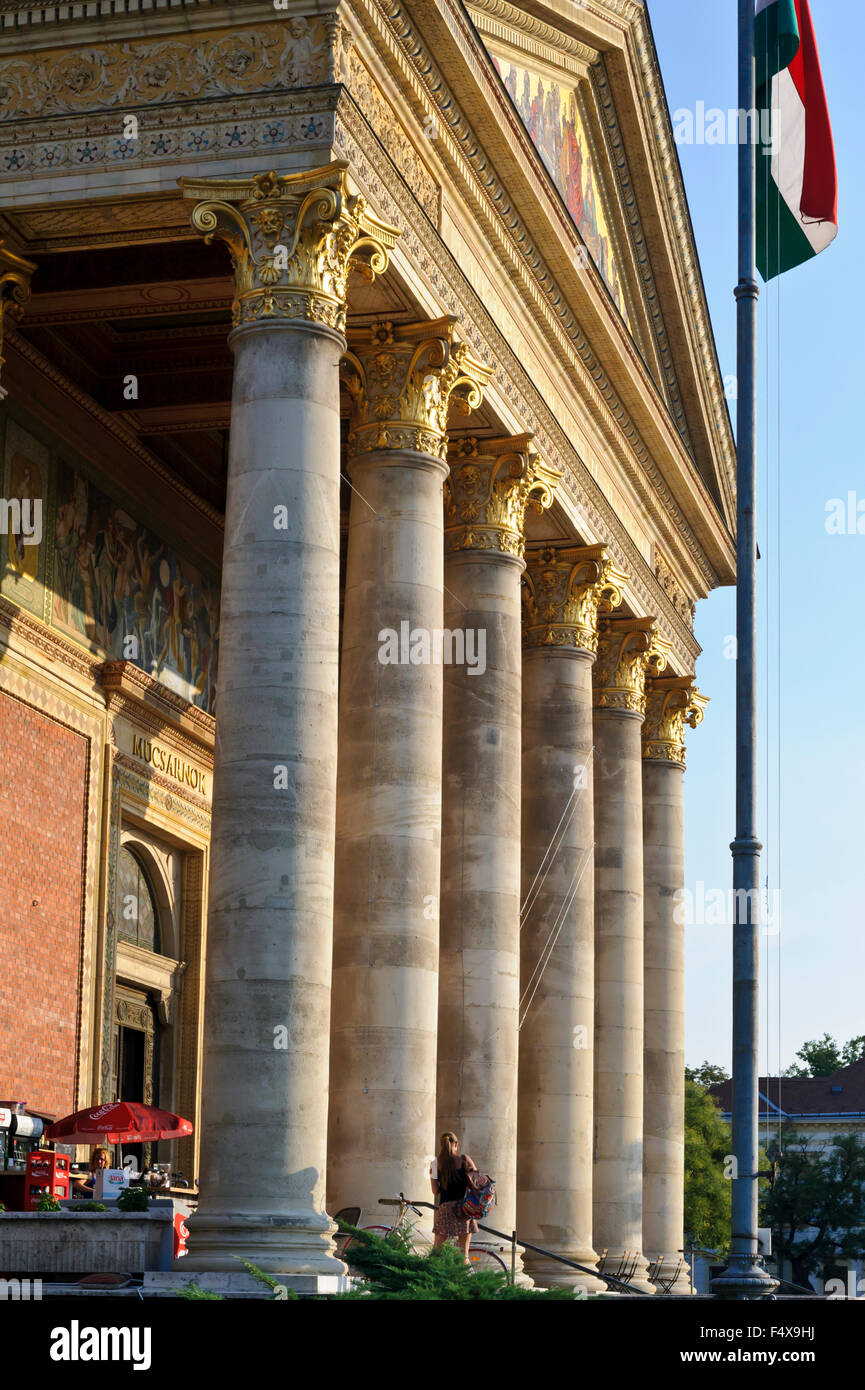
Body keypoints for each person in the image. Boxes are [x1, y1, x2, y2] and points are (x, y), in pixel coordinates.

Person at [429, 1131, 478, 1263]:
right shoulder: (464, 1160)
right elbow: (478, 1181)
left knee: (437, 1250)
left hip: (445, 1208)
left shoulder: (435, 1164)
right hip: (464, 1208)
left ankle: (430, 1274)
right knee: (463, 1252)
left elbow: (435, 1191)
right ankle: (462, 1279)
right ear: (456, 1144)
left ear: (441, 1145)